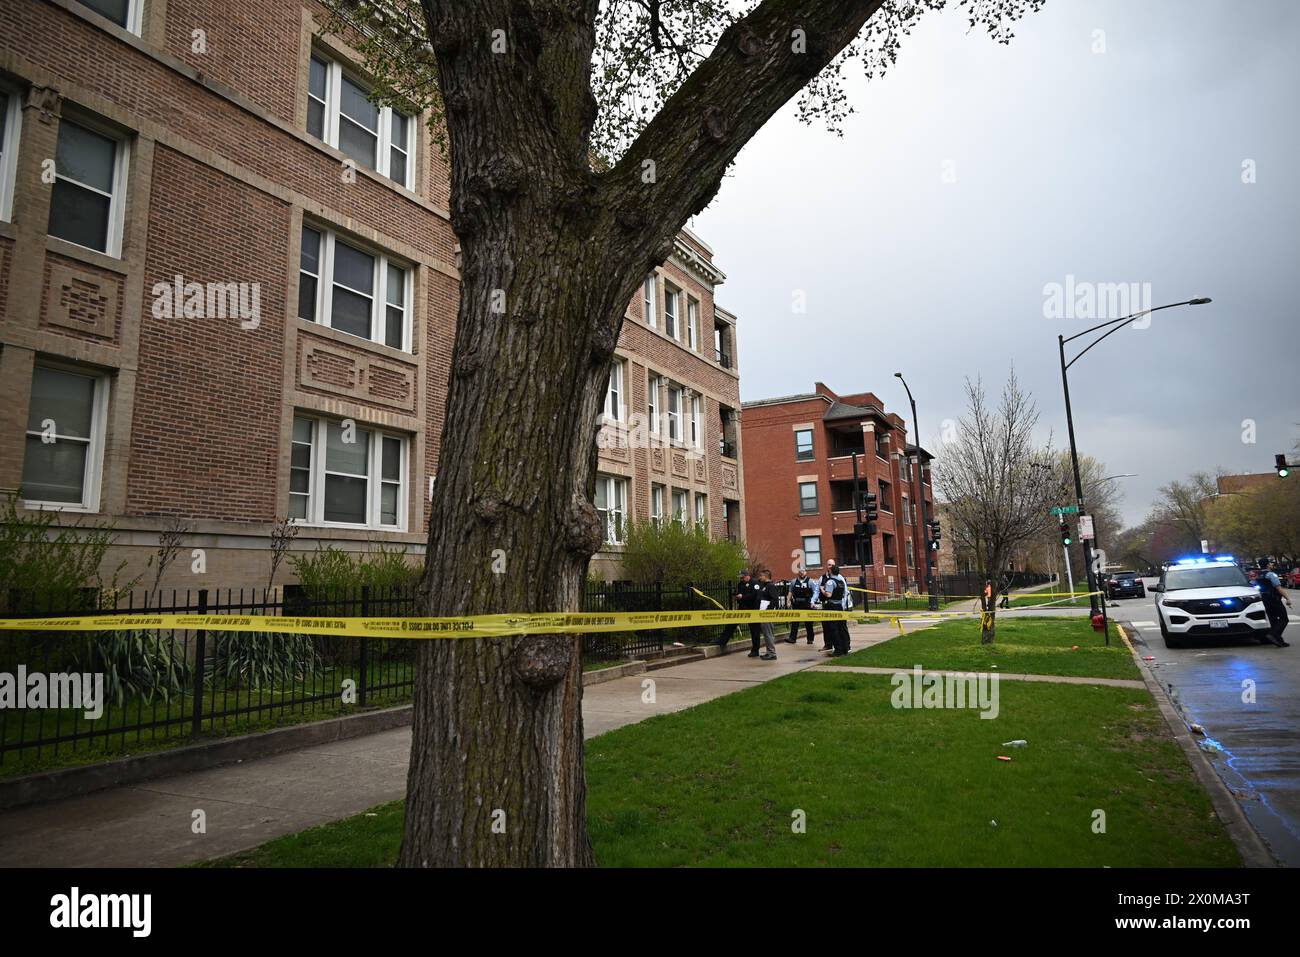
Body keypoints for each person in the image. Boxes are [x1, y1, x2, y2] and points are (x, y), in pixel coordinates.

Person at [716, 569, 760, 655]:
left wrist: (743, 597)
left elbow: (755, 596)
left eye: (743, 577)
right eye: (741, 578)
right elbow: (739, 593)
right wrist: (737, 596)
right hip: (742, 608)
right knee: (732, 624)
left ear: (747, 576)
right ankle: (722, 641)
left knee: (754, 631)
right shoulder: (740, 584)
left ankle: (755, 650)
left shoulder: (755, 583)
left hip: (752, 610)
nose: (741, 579)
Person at [818, 560, 851, 657]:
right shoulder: (841, 581)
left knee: (833, 628)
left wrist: (822, 590)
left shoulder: (830, 582)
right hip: (840, 606)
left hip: (831, 606)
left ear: (831, 572)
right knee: (841, 627)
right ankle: (845, 648)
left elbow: (828, 594)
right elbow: (844, 593)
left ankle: (838, 650)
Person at [1257, 560, 1292, 648]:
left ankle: (1279, 641)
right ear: (1268, 565)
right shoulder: (1271, 574)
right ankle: (1273, 634)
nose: (1272, 565)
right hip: (1274, 599)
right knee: (1284, 618)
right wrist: (1287, 598)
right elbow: (1278, 588)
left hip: (1265, 599)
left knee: (1274, 620)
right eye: (1270, 563)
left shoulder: (1259, 574)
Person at [785, 568, 817, 644]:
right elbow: (790, 592)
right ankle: (792, 638)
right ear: (798, 573)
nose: (802, 573)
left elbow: (815, 592)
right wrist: (788, 601)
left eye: (803, 571)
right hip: (797, 604)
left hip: (807, 604)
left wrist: (813, 602)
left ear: (806, 572)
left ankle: (810, 639)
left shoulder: (810, 581)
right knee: (795, 622)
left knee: (808, 623)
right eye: (800, 572)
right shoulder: (793, 582)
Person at [756, 568, 779, 660]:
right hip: (762, 613)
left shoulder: (770, 586)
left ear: (765, 576)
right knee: (766, 633)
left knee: (768, 633)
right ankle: (769, 651)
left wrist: (768, 611)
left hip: (767, 614)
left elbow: (774, 599)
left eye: (761, 576)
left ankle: (772, 653)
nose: (760, 577)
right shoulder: (764, 586)